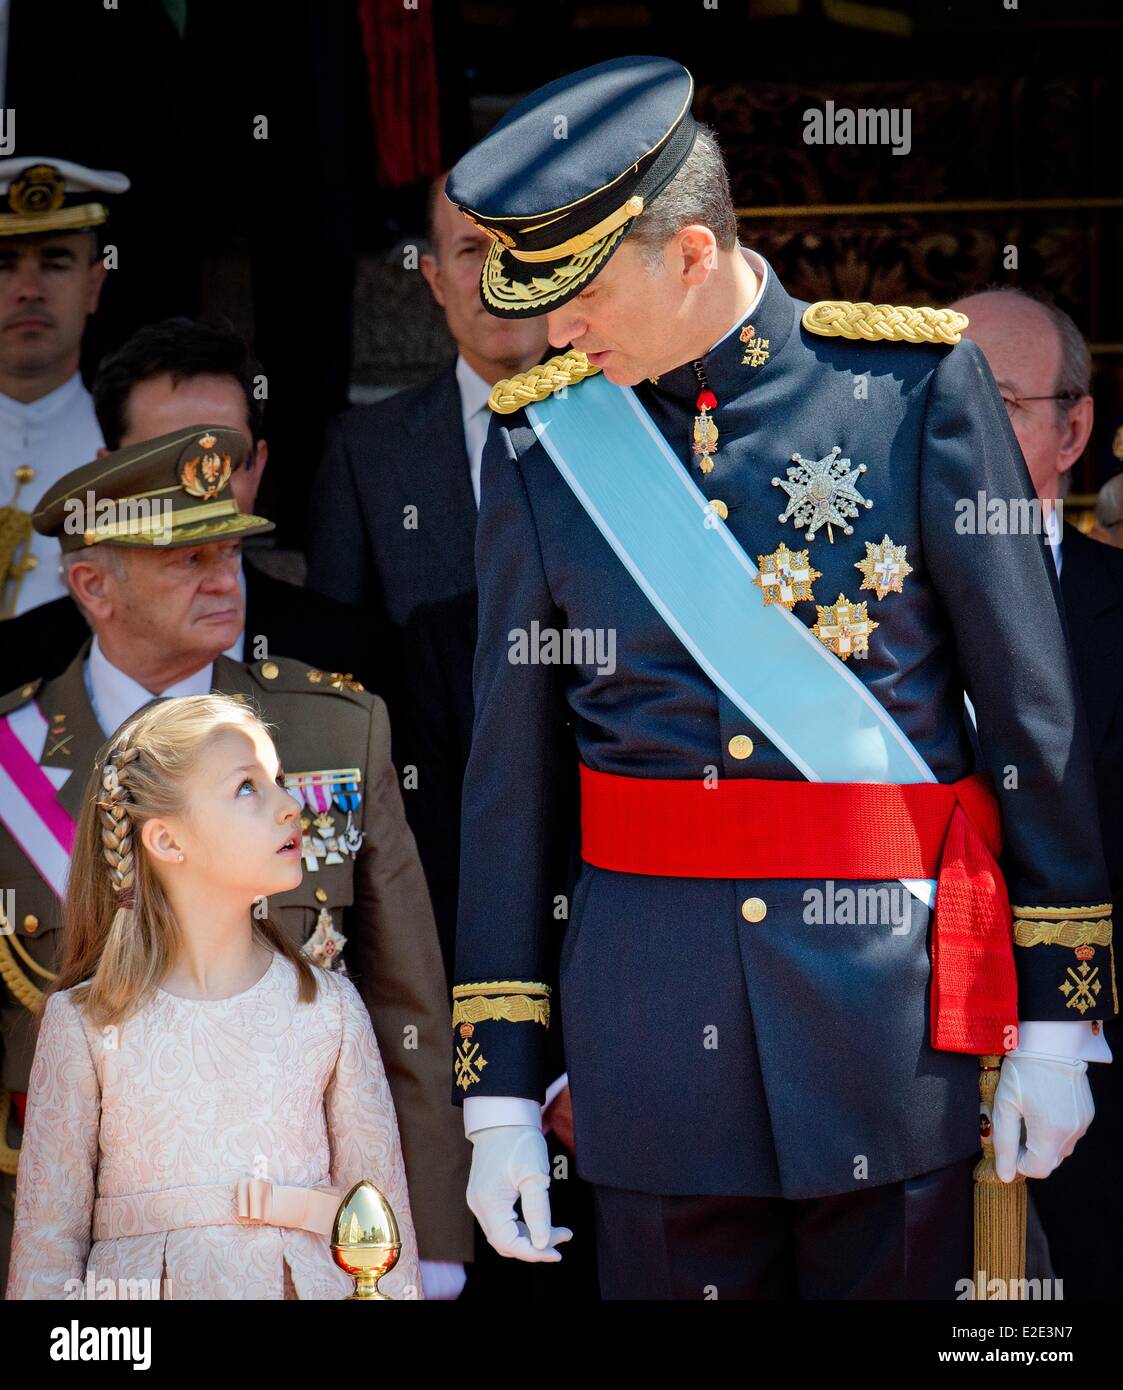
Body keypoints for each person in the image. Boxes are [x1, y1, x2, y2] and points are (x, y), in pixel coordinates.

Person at [444, 55, 1114, 1299]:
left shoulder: (913, 386)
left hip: (891, 1032)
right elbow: (509, 784)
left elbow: (1031, 719)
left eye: (580, 292)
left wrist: (1062, 1017)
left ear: (689, 254)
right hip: (647, 1044)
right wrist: (496, 1091)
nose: (552, 331)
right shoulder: (543, 441)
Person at [0, 426, 471, 1296]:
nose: (226, 579)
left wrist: (424, 1242)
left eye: (231, 552)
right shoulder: (8, 756)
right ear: (91, 586)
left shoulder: (334, 726)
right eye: (188, 559)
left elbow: (406, 997)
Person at [6, 692, 421, 1300]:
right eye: (248, 788)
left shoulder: (328, 1009)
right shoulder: (85, 1023)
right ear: (168, 841)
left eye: (279, 781)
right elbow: (45, 1256)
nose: (290, 807)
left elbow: (384, 1235)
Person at [955, 286, 1123, 1297]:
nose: (961, 432)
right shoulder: (839, 617)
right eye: (942, 400)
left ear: (1074, 428)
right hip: (900, 1086)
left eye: (1001, 403)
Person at [0, 317, 385, 696]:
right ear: (108, 475)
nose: (200, 494)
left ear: (258, 467)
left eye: (220, 463)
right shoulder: (19, 663)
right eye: (164, 465)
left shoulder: (352, 658)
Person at [304, 171, 547, 639]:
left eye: (518, 244)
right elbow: (338, 651)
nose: (500, 275)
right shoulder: (366, 453)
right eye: (471, 250)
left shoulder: (630, 418)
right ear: (435, 280)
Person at [0, 156, 129, 619]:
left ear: (94, 286)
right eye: (4, 264)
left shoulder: (130, 456)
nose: (28, 289)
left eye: (55, 263)